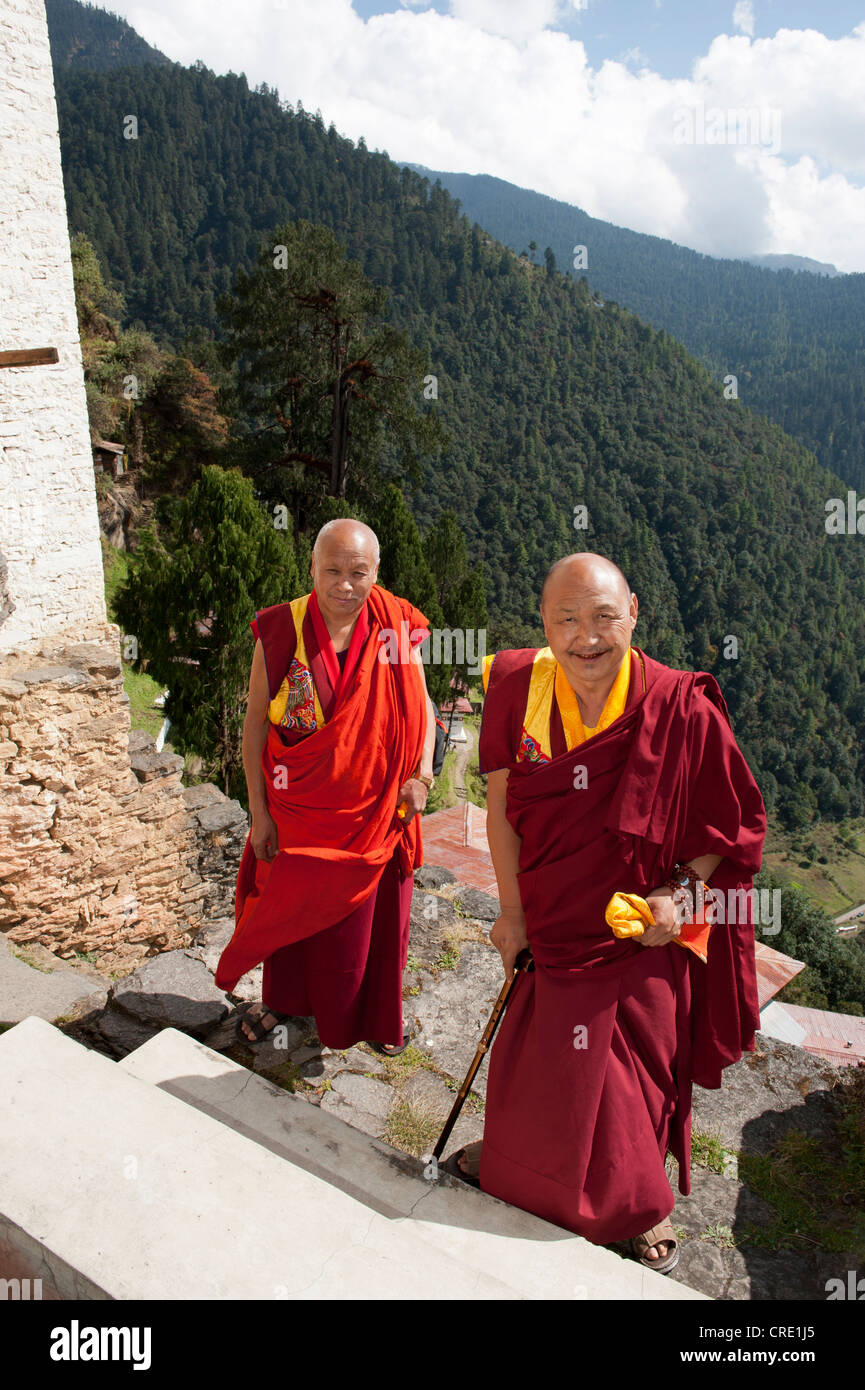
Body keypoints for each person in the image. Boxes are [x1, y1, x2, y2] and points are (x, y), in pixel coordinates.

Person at [445, 552, 766, 1271]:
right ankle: (514, 1166)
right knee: (539, 1067)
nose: (584, 637)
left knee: (632, 1079)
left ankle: (634, 1208)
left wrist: (680, 895)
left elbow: (730, 829)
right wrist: (512, 913)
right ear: (543, 625)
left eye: (602, 617)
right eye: (565, 620)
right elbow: (501, 810)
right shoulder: (515, 684)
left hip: (641, 932)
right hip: (553, 921)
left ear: (633, 615)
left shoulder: (680, 704)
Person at [215, 519, 437, 1056]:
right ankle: (285, 1002)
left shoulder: (393, 625)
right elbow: (255, 727)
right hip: (301, 809)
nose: (344, 585)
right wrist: (259, 814)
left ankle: (375, 1014)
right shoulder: (281, 629)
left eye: (358, 572)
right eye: (332, 570)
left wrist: (423, 774)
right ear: (312, 567)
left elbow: (422, 706)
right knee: (293, 909)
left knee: (371, 926)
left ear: (375, 572)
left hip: (377, 811)